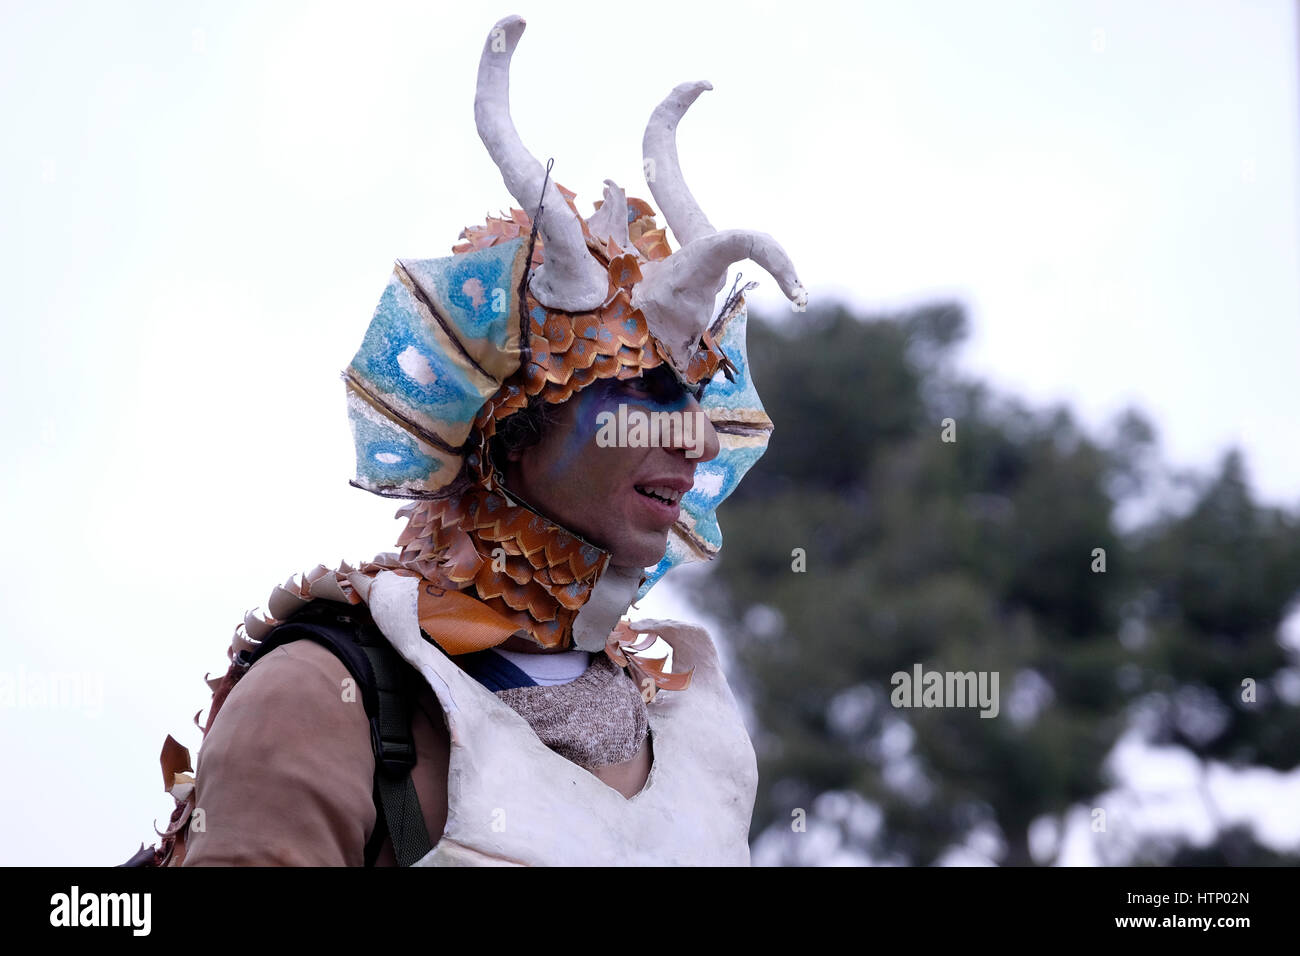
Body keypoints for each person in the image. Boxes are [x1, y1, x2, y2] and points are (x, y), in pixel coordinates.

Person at [146, 13, 806, 867]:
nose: (696, 442)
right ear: (511, 420)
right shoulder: (326, 695)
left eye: (694, 395)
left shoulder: (684, 729)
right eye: (642, 390)